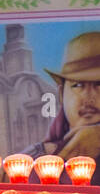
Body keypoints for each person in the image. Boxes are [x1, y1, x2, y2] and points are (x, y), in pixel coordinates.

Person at [29, 31, 100, 167]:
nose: (88, 98)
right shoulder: (31, 162)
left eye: (99, 84)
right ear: (61, 93)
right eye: (77, 85)